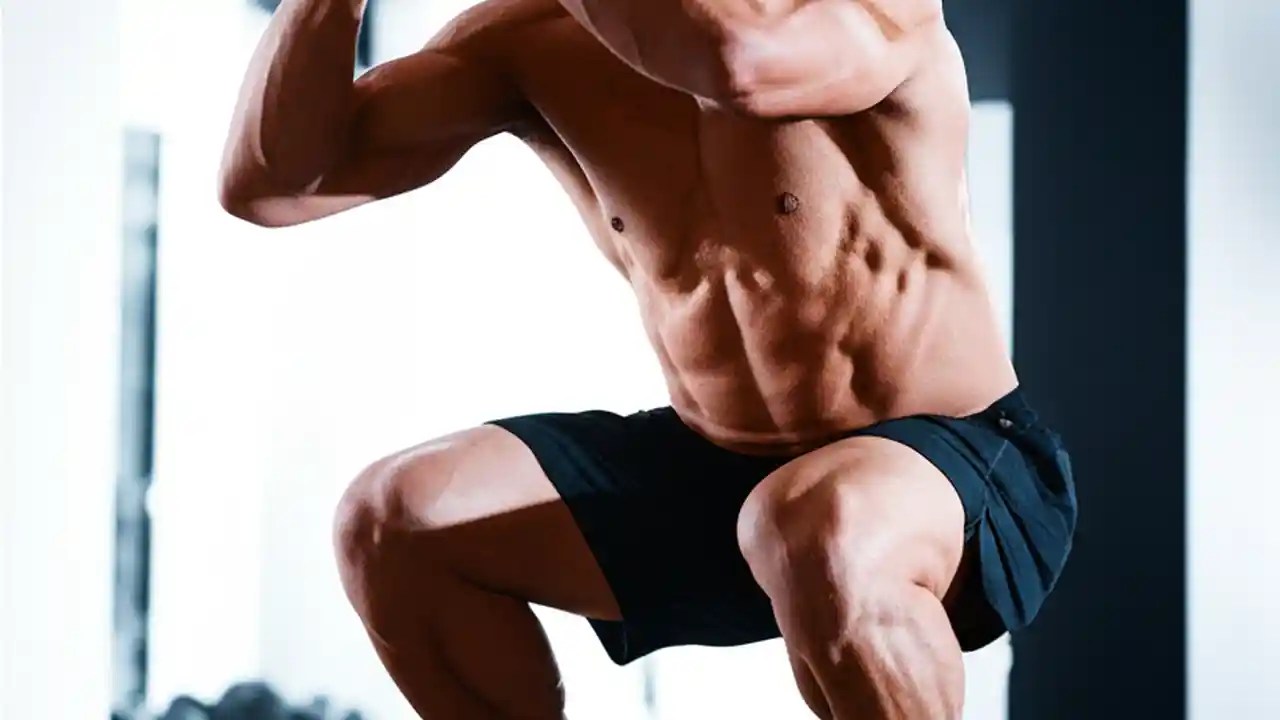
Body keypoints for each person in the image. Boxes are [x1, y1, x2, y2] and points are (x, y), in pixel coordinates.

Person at [219, 0, 1077, 717]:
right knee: (393, 522)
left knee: (814, 520)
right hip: (725, 478)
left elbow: (737, 62)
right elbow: (276, 184)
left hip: (955, 464)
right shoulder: (524, 40)